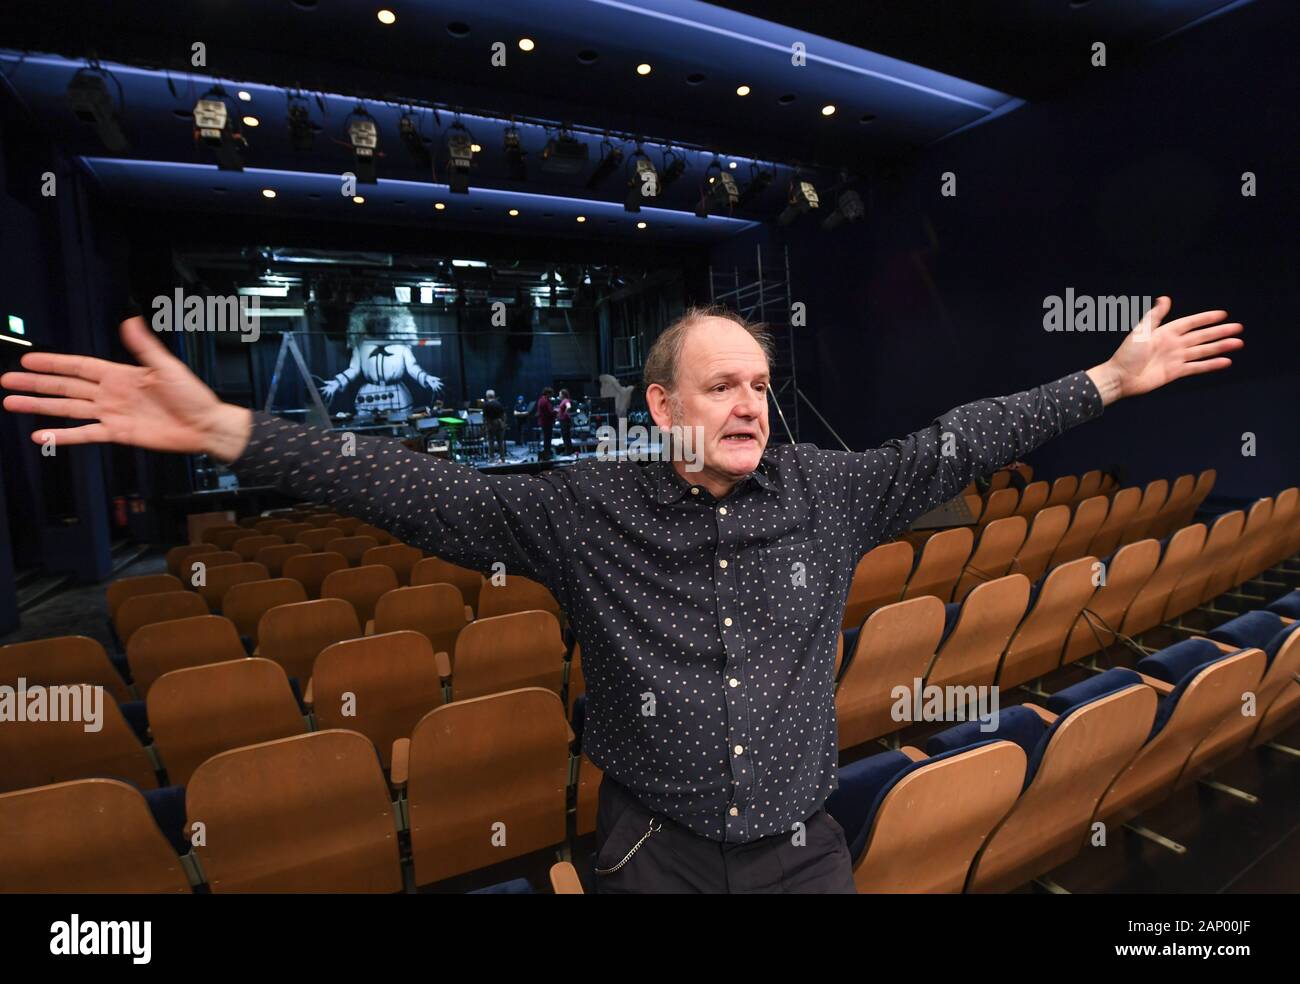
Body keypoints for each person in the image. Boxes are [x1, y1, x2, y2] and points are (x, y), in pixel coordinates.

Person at [0, 298, 1243, 893]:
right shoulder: (576, 510)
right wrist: (225, 427)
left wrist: (1107, 379)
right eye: (720, 387)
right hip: (650, 853)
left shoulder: (834, 489)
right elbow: (408, 487)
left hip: (807, 849)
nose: (750, 402)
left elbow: (965, 439)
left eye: (759, 382)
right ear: (660, 409)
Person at [482, 388, 507, 462]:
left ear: (487, 396)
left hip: (490, 424)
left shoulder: (485, 404)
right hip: (499, 423)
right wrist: (503, 423)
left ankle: (491, 458)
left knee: (491, 442)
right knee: (500, 442)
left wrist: (484, 426)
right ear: (494, 395)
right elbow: (503, 415)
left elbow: (485, 417)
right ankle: (502, 458)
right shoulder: (498, 403)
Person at [536, 386, 556, 460]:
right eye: (550, 394)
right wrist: (555, 412)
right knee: (547, 439)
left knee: (546, 439)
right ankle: (546, 455)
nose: (551, 396)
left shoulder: (541, 400)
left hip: (544, 422)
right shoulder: (545, 401)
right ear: (547, 393)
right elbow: (549, 413)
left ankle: (546, 454)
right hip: (546, 422)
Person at [557, 388, 575, 455]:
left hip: (565, 420)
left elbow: (569, 406)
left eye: (560, 394)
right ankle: (568, 451)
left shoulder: (565, 400)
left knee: (566, 436)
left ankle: (568, 451)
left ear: (563, 395)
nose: (559, 395)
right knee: (565, 436)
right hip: (563, 420)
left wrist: (564, 414)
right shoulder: (563, 401)